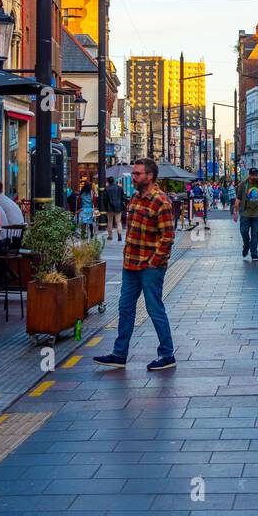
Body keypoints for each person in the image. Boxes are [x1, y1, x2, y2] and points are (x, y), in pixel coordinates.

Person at [94, 157, 177, 372]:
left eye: (138, 173)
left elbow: (167, 237)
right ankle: (119, 354)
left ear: (150, 176)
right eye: (134, 173)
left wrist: (154, 262)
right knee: (125, 308)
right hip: (130, 264)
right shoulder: (135, 198)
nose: (134, 176)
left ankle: (167, 354)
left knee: (154, 308)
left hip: (149, 267)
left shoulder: (161, 201)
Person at [231, 168, 258, 262]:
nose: (254, 177)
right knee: (244, 231)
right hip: (245, 213)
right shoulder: (243, 184)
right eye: (252, 175)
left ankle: (254, 254)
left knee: (255, 234)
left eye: (255, 175)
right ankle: (246, 245)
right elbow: (238, 198)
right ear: (249, 175)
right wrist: (235, 212)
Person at [101, 176, 128, 240]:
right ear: (114, 181)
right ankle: (119, 235)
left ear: (108, 182)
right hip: (118, 206)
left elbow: (104, 199)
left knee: (110, 221)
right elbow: (123, 197)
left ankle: (110, 236)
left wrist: (105, 206)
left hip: (109, 207)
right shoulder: (120, 188)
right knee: (118, 221)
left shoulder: (107, 189)